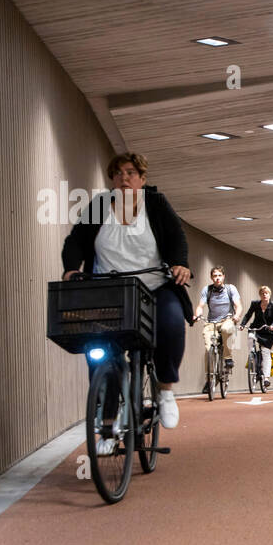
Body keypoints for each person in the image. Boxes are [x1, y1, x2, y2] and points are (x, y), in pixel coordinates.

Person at [62, 152, 194, 452]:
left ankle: (165, 391)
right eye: (118, 173)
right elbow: (76, 241)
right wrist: (71, 267)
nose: (124, 177)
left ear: (142, 179)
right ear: (112, 179)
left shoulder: (156, 204)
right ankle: (107, 427)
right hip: (108, 290)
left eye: (131, 172)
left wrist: (179, 263)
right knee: (98, 350)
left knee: (171, 324)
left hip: (154, 286)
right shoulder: (98, 206)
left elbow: (176, 238)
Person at [192, 266, 242, 388]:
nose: (217, 278)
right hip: (211, 323)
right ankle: (209, 379)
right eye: (215, 276)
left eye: (219, 275)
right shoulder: (207, 290)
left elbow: (238, 305)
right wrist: (197, 315)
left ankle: (228, 358)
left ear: (223, 276)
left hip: (227, 320)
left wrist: (237, 315)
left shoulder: (231, 289)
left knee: (226, 329)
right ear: (211, 278)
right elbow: (200, 306)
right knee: (208, 349)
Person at [239, 285, 273, 387]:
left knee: (266, 352)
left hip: (268, 331)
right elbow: (248, 315)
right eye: (262, 293)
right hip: (256, 328)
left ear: (269, 294)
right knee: (250, 337)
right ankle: (252, 355)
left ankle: (266, 377)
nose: (264, 295)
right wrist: (242, 324)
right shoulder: (255, 304)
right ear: (260, 295)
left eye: (266, 293)